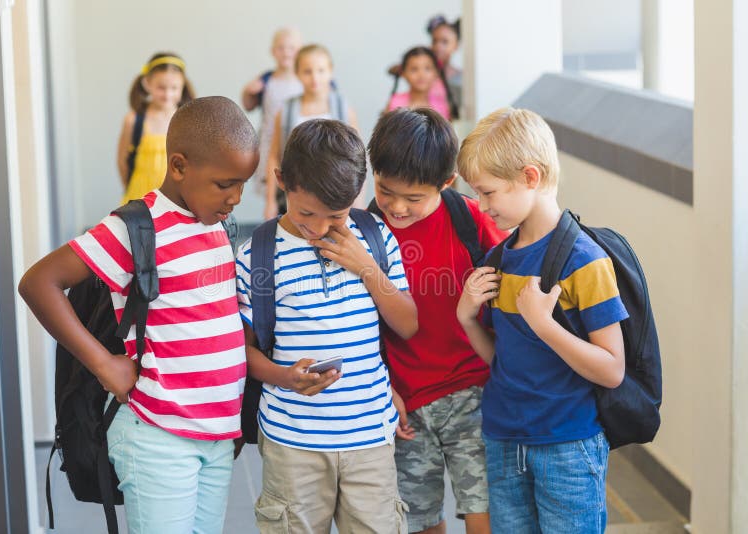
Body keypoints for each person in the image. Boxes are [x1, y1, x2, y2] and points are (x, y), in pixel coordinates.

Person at [19, 96, 259, 534]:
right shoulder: (134, 228)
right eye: (226, 184)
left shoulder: (217, 225)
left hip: (217, 434)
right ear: (180, 166)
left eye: (243, 184)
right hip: (157, 434)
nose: (236, 198)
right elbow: (39, 283)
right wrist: (104, 364)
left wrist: (229, 420)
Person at [236, 119, 417, 533]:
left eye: (336, 215)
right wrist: (284, 376)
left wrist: (367, 268)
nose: (318, 228)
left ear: (359, 194)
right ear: (281, 180)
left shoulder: (374, 238)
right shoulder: (256, 255)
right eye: (305, 213)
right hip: (291, 444)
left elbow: (407, 324)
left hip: (370, 437)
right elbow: (242, 351)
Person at [455, 107, 628, 533]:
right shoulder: (502, 258)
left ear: (530, 177)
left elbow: (612, 369)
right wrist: (468, 320)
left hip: (566, 445)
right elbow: (506, 359)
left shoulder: (585, 260)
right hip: (504, 439)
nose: (481, 206)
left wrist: (545, 324)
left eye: (488, 192)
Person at [367, 108, 506, 534]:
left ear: (447, 183)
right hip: (407, 404)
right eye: (386, 191)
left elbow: (508, 297)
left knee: (484, 512)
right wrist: (384, 388)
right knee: (421, 518)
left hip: (475, 392)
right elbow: (359, 323)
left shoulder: (470, 220)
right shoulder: (367, 233)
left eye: (414, 199)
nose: (397, 207)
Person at [263, 44, 358, 220]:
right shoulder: (285, 111)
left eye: (321, 70)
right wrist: (270, 201)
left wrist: (358, 200)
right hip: (294, 197)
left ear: (331, 71)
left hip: (336, 196)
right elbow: (274, 156)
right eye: (307, 71)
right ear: (297, 73)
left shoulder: (343, 109)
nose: (315, 78)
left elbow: (357, 157)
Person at [117, 52, 195, 204]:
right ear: (147, 83)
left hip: (177, 201)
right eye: (161, 88)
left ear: (183, 86)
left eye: (174, 88)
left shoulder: (188, 120)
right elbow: (122, 161)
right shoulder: (133, 120)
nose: (167, 94)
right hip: (140, 199)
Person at [241, 27, 303, 195]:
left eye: (291, 48)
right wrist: (248, 92)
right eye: (281, 48)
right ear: (273, 51)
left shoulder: (306, 78)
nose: (286, 53)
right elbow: (249, 105)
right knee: (273, 189)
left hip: (299, 145)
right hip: (271, 145)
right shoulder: (267, 79)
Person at [386, 47, 456, 121]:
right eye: (414, 69)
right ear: (403, 73)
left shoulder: (442, 106)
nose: (421, 74)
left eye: (427, 68)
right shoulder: (395, 103)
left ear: (436, 72)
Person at [427, 15, 462, 112]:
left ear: (456, 46)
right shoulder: (424, 76)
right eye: (435, 41)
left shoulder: (462, 79)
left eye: (445, 42)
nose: (438, 46)